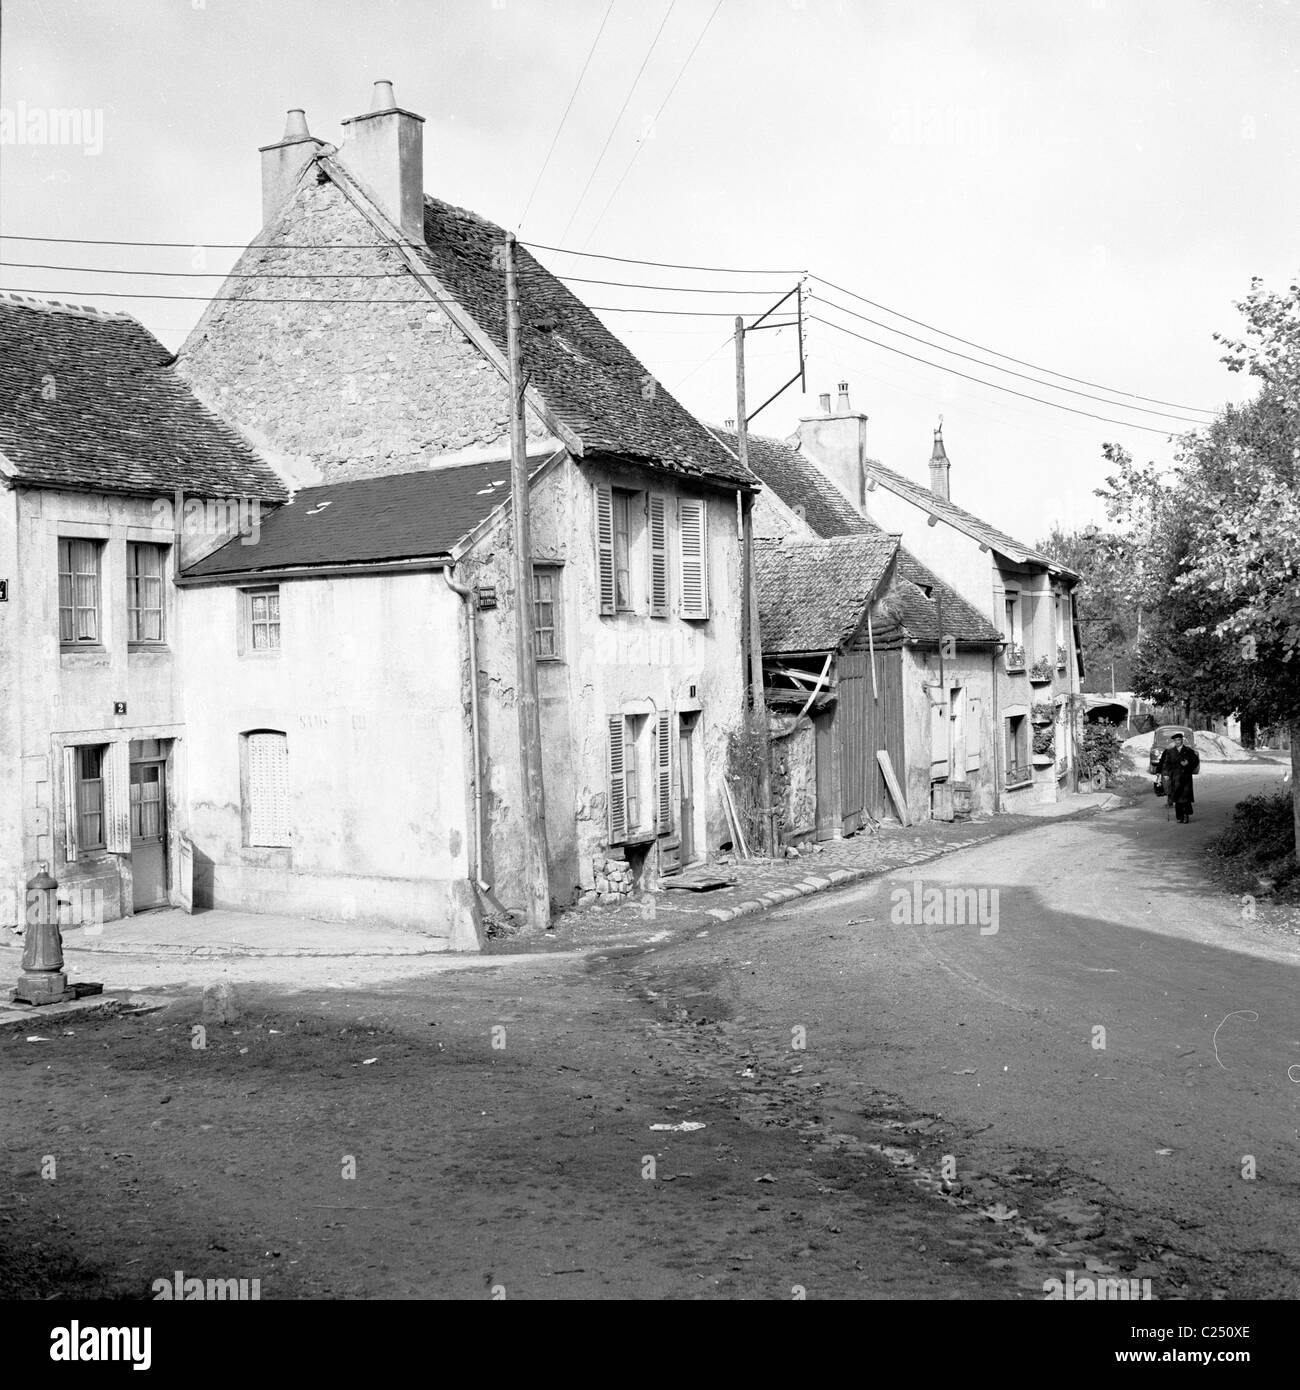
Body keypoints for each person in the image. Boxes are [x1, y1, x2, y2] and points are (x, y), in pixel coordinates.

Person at [1156, 732, 1200, 823]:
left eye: (1179, 740)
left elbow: (1196, 761)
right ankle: (1179, 816)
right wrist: (1166, 774)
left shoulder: (1188, 750)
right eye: (1175, 740)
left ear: (1182, 740)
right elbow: (1166, 764)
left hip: (1185, 778)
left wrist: (1188, 764)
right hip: (1175, 778)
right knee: (1177, 798)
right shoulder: (1170, 752)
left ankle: (1186, 815)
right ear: (1174, 741)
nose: (1177, 742)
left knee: (1185, 798)